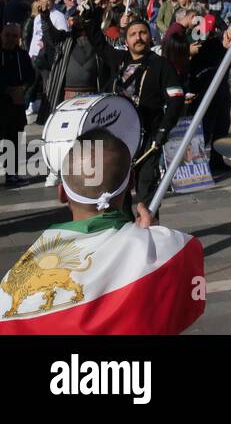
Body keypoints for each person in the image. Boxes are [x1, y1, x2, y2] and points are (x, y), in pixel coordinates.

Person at [0, 129, 205, 334]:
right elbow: (189, 300)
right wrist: (153, 242)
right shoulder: (171, 250)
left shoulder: (11, 288)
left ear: (62, 193)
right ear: (131, 182)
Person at [95, 19, 186, 208]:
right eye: (133, 34)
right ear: (126, 40)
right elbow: (98, 43)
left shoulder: (162, 65)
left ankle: (150, 231)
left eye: (143, 33)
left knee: (146, 191)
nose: (138, 38)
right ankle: (127, 231)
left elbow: (176, 99)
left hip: (148, 137)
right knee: (119, 192)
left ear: (150, 36)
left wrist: (163, 130)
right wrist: (90, 17)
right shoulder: (119, 61)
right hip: (119, 138)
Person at [0, 23, 34, 186]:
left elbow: (30, 77)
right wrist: (7, 89)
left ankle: (12, 174)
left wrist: (23, 90)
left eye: (14, 36)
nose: (11, 40)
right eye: (7, 35)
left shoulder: (22, 55)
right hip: (2, 102)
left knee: (13, 139)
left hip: (16, 104)